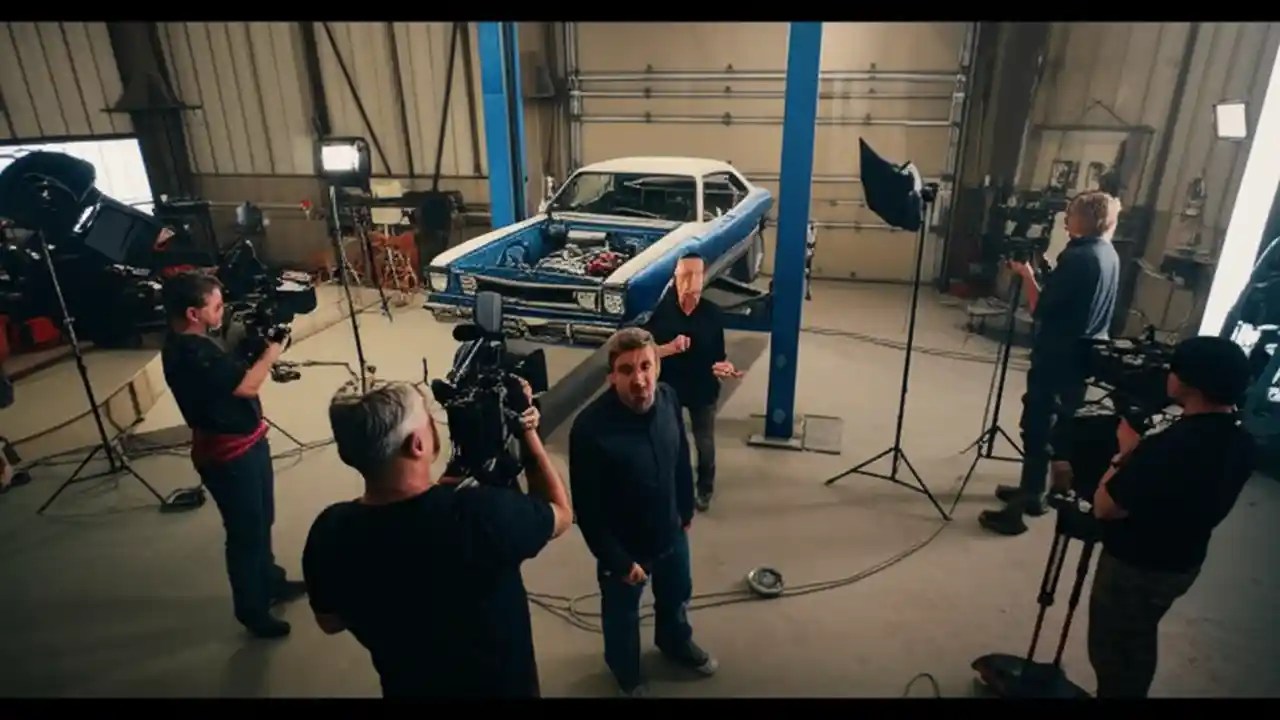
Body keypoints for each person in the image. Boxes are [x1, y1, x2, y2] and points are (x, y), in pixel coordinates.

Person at [301, 380, 573, 698]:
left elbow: (330, 621)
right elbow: (560, 513)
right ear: (417, 445)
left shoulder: (329, 532)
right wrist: (528, 434)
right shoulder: (483, 516)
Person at [1087, 335, 1256, 698]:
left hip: (1136, 568)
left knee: (1113, 654)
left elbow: (1106, 506)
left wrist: (1126, 453)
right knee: (1139, 639)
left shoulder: (1169, 447)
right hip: (1184, 561)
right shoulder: (1242, 442)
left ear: (1188, 383)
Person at [569, 327, 718, 697]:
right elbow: (588, 508)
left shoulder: (668, 398)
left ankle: (674, 641)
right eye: (626, 370)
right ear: (611, 376)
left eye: (646, 366)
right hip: (625, 550)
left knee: (677, 593)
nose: (639, 379)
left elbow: (681, 457)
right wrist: (618, 560)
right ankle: (626, 671)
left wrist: (684, 513)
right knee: (622, 616)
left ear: (658, 368)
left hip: (671, 530)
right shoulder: (589, 430)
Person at [160, 271, 305, 639]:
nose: (223, 312)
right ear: (194, 313)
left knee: (262, 518)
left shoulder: (199, 341)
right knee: (245, 534)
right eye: (217, 306)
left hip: (248, 440)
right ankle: (252, 610)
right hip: (228, 454)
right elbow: (245, 385)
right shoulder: (189, 352)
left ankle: (270, 580)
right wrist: (274, 350)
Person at [980, 191, 1122, 536]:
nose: (1065, 220)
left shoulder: (1078, 258)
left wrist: (1027, 275)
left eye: (1070, 214)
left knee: (1040, 425)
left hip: (1059, 355)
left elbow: (1040, 309)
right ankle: (1033, 491)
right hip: (1083, 354)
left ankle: (1028, 503)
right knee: (1055, 426)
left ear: (1084, 219)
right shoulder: (1109, 254)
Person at [643, 250, 743, 512]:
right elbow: (645, 353)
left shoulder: (712, 314)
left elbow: (718, 357)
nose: (690, 281)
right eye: (685, 274)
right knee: (669, 441)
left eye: (696, 275)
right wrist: (669, 348)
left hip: (702, 388)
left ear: (704, 278)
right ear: (675, 276)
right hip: (669, 388)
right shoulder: (659, 312)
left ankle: (705, 488)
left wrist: (725, 368)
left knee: (704, 443)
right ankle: (673, 486)